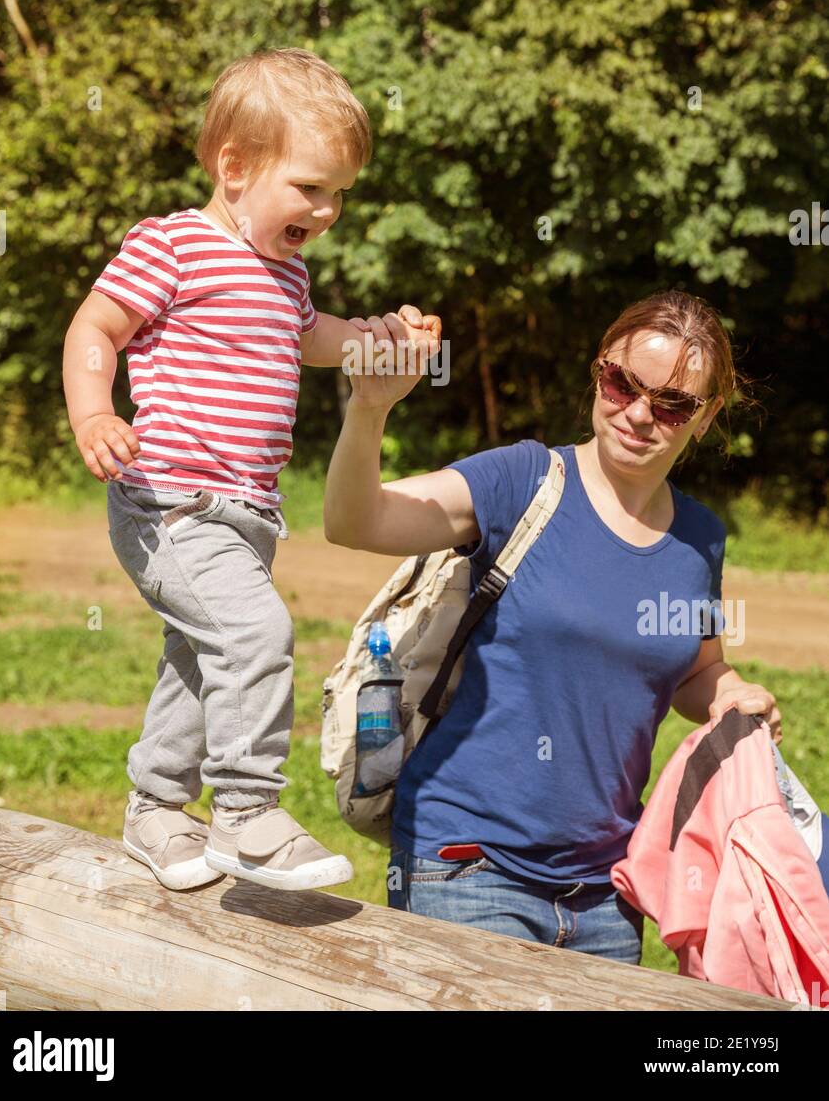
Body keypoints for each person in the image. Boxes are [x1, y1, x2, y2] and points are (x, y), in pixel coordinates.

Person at [62, 48, 441, 893]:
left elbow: (313, 338)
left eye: (341, 192)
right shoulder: (175, 246)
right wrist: (94, 412)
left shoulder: (284, 272)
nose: (329, 209)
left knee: (202, 660)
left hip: (247, 513)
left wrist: (380, 337)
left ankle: (156, 809)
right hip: (171, 502)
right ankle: (245, 812)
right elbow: (95, 328)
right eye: (311, 187)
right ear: (235, 168)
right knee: (255, 634)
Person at [323, 290, 780, 963]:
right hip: (465, 867)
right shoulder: (524, 480)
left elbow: (697, 670)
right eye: (621, 382)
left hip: (606, 895)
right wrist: (370, 408)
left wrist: (732, 694)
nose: (638, 412)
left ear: (706, 417)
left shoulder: (699, 539)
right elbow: (356, 522)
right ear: (599, 370)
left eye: (672, 403)